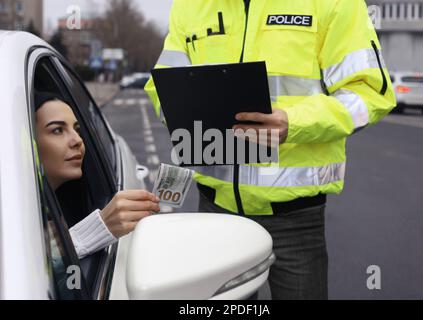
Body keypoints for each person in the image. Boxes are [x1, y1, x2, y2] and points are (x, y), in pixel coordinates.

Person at [145, 0, 396, 300]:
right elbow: (162, 85)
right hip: (215, 214)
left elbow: (370, 94)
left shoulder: (334, 3)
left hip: (294, 221)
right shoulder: (192, 5)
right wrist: (182, 109)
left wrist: (294, 123)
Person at [34, 92, 161, 259]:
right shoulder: (15, 215)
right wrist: (101, 226)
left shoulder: (59, 203)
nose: (78, 140)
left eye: (77, 129)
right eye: (58, 130)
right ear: (29, 141)